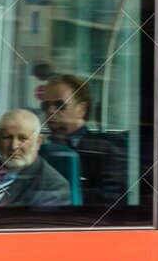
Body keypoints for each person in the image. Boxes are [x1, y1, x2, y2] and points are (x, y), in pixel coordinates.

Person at [40, 73, 127, 208]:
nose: (51, 110)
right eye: (46, 106)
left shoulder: (103, 150)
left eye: (59, 105)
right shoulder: (40, 149)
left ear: (82, 109)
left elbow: (111, 201)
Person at [0, 109, 72, 208]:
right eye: (7, 137)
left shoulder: (52, 186)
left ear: (38, 142)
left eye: (23, 138)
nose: (14, 146)